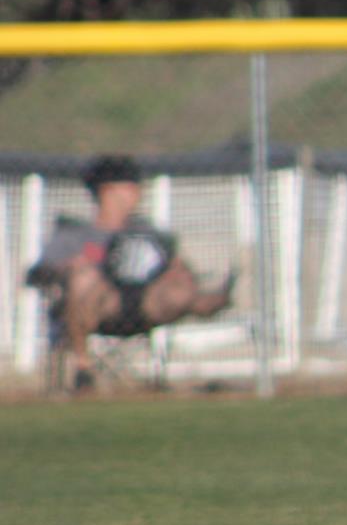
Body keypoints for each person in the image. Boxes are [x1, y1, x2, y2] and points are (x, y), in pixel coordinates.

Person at [25, 153, 235, 392]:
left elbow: (174, 267)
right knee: (84, 278)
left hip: (145, 306)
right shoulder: (74, 236)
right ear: (107, 192)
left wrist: (178, 275)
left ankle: (210, 303)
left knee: (181, 286)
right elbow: (36, 275)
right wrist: (69, 267)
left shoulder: (149, 234)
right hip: (98, 308)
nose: (138, 194)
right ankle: (83, 368)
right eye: (131, 188)